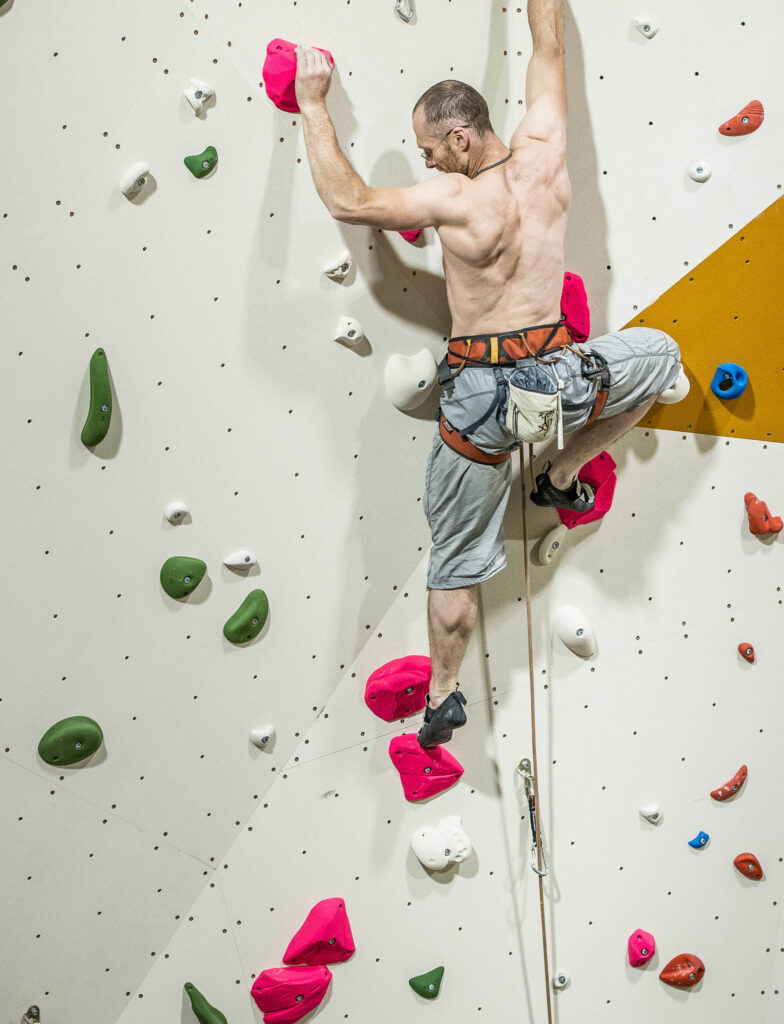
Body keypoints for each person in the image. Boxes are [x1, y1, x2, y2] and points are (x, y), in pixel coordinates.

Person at [294, 0, 681, 749]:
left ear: (461, 138)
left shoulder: (453, 199)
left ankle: (444, 694)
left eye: (431, 149)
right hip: (549, 387)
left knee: (456, 560)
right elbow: (549, 44)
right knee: (658, 355)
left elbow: (349, 199)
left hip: (481, 408)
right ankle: (561, 471)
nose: (429, 162)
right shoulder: (545, 148)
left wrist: (313, 104)